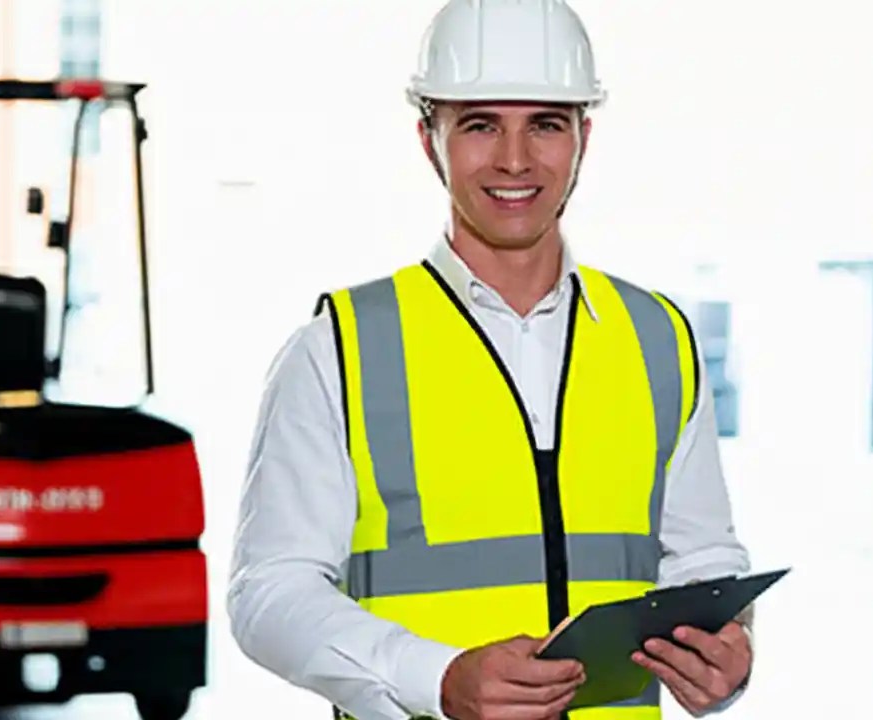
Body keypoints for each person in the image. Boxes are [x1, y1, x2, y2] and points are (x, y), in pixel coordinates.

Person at [228, 1, 755, 718]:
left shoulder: (659, 336)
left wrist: (727, 650)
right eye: (480, 124)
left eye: (546, 123)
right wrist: (434, 677)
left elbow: (704, 561)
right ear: (429, 138)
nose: (515, 159)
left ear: (583, 138)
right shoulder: (340, 349)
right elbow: (269, 593)